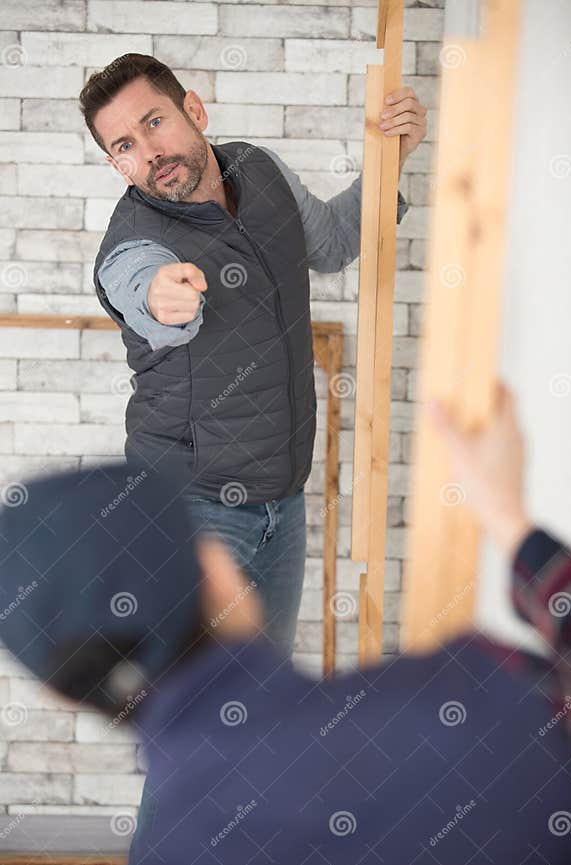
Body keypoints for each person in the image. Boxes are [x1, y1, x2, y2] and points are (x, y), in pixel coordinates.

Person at [0, 381, 571, 864]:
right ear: (220, 570)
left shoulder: (168, 850)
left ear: (64, 694)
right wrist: (510, 521)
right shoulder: (483, 695)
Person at [79, 52, 427, 655]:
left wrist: (390, 157)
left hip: (282, 501)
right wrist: (164, 297)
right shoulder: (132, 244)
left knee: (264, 700)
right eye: (124, 146)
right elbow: (143, 288)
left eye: (154, 123)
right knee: (192, 712)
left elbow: (335, 241)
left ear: (194, 108)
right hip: (191, 514)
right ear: (116, 163)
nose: (148, 153)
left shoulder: (259, 170)